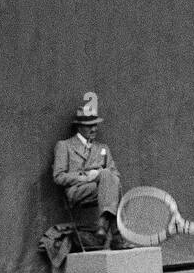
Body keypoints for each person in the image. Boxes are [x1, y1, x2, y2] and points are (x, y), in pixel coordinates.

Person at [52, 107, 133, 250]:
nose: (94, 129)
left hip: (102, 190)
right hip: (78, 191)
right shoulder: (64, 146)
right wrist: (88, 177)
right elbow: (58, 176)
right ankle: (114, 233)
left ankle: (104, 223)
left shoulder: (103, 148)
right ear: (79, 127)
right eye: (90, 126)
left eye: (95, 125)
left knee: (109, 176)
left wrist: (100, 175)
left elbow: (116, 175)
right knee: (110, 181)